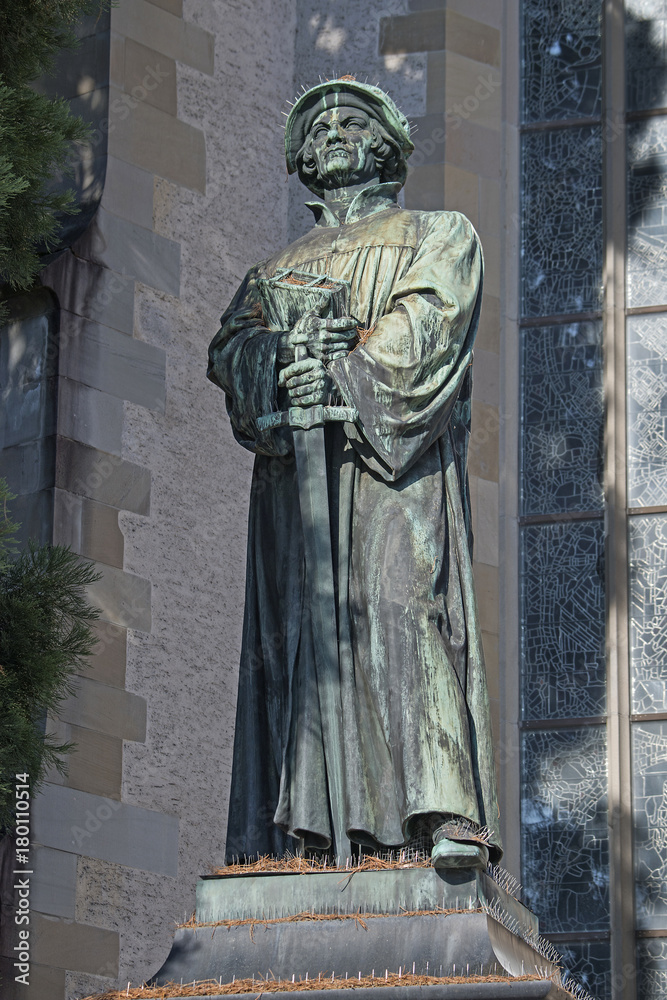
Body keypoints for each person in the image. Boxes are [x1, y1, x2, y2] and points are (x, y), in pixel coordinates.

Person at [208, 77, 502, 869]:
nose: (335, 131)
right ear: (300, 157)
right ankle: (296, 836)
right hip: (294, 482)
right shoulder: (269, 273)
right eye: (319, 125)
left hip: (389, 471)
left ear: (388, 144)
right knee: (298, 638)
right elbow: (229, 352)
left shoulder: (437, 232)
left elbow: (431, 326)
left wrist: (343, 370)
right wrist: (277, 366)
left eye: (354, 120)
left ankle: (439, 816)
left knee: (402, 609)